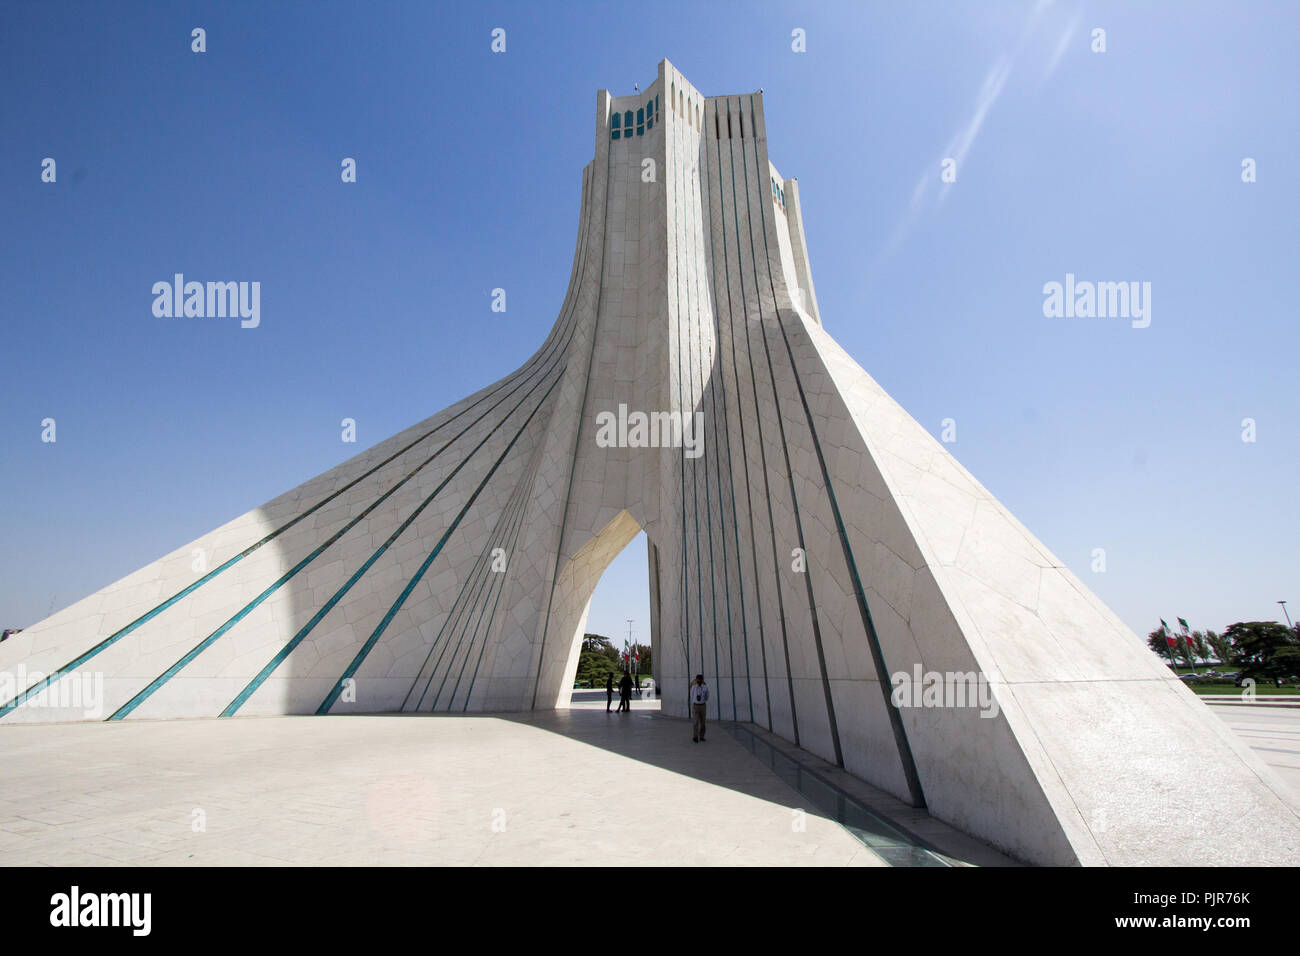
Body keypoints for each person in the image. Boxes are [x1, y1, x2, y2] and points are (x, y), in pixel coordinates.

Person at [690, 674, 709, 742]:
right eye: (697, 680)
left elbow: (707, 696)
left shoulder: (705, 687)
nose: (699, 681)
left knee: (703, 722)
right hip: (695, 706)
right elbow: (691, 695)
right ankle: (695, 736)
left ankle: (701, 736)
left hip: (702, 706)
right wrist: (695, 702)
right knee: (696, 722)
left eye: (700, 680)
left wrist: (702, 701)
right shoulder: (693, 687)